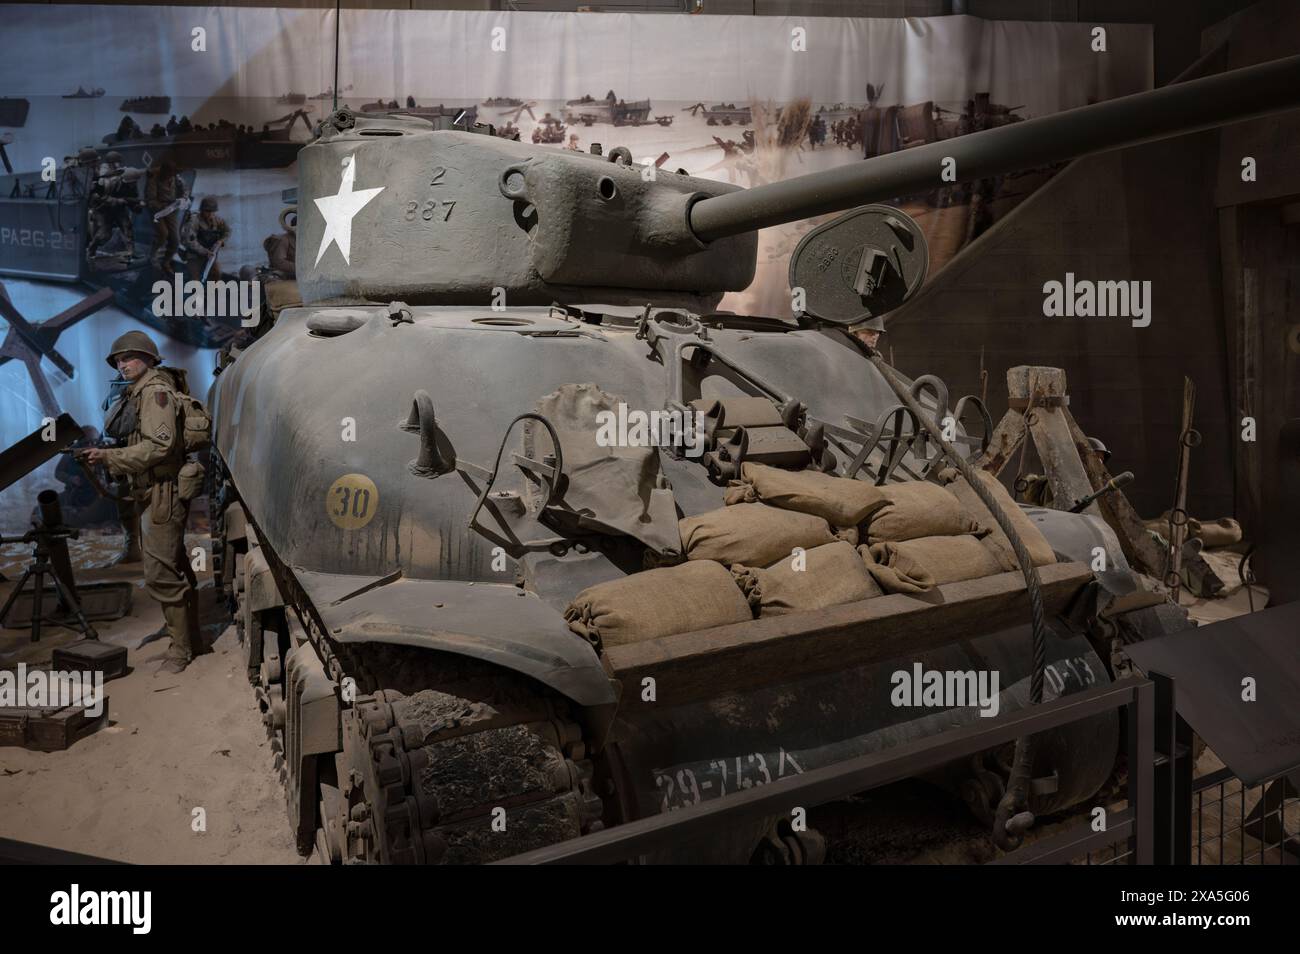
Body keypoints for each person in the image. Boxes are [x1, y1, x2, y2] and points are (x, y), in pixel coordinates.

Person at [84, 331, 201, 673]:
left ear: (149, 358)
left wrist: (109, 458)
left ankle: (180, 652)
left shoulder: (155, 393)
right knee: (174, 565)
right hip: (151, 491)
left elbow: (159, 446)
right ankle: (190, 639)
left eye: (129, 357)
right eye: (118, 360)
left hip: (163, 491)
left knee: (160, 574)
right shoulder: (137, 392)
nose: (122, 365)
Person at [145, 158, 186, 272]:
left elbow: (184, 190)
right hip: (157, 211)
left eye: (172, 173)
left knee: (176, 240)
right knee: (163, 234)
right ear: (163, 172)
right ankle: (152, 255)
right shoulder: (153, 179)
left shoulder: (176, 178)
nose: (170, 176)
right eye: (168, 173)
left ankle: (166, 262)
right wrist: (163, 207)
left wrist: (183, 198)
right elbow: (151, 200)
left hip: (172, 209)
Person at [181, 196, 231, 281]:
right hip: (194, 256)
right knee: (195, 280)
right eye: (207, 211)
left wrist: (221, 241)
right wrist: (204, 251)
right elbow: (189, 241)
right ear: (202, 210)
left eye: (212, 211)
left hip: (210, 256)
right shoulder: (194, 221)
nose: (210, 214)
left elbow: (227, 231)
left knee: (217, 274)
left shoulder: (217, 220)